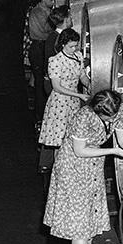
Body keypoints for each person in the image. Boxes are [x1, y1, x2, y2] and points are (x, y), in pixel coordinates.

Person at [43, 90, 123, 244]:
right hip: (72, 169)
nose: (111, 120)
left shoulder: (119, 111)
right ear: (97, 111)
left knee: (89, 223)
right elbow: (80, 150)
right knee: (79, 227)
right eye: (107, 117)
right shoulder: (82, 117)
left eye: (113, 116)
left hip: (91, 169)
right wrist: (111, 151)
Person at [38, 29, 89, 181]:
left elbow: (82, 76)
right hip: (59, 103)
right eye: (71, 46)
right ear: (63, 45)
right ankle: (58, 174)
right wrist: (79, 95)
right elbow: (57, 87)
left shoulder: (78, 56)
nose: (75, 49)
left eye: (76, 46)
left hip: (73, 102)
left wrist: (89, 84)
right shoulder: (55, 61)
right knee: (58, 140)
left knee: (72, 138)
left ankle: (70, 171)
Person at [28, 0, 57, 124]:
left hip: (42, 47)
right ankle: (40, 115)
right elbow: (45, 30)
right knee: (40, 83)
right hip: (39, 48)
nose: (53, 2)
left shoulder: (47, 11)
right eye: (50, 0)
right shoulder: (38, 12)